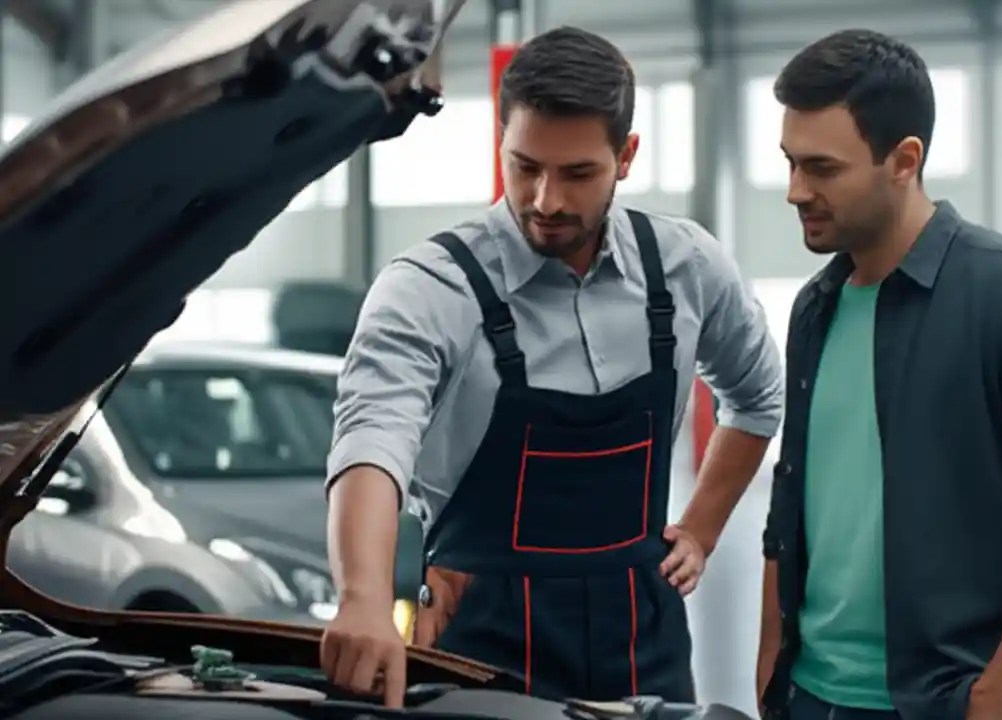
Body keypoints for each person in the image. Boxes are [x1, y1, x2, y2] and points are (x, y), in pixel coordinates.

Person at [320, 26, 784, 709]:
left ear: (625, 157)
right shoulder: (429, 287)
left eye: (577, 173)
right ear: (500, 141)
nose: (545, 201)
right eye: (525, 165)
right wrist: (361, 599)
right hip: (481, 637)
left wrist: (703, 528)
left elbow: (758, 396)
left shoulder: (687, 267)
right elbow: (372, 439)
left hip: (644, 637)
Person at [755, 29, 1002, 720]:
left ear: (904, 161)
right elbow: (790, 507)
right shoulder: (816, 307)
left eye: (822, 168)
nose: (794, 190)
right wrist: (770, 674)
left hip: (945, 703)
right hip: (809, 698)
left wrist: (998, 698)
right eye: (789, 163)